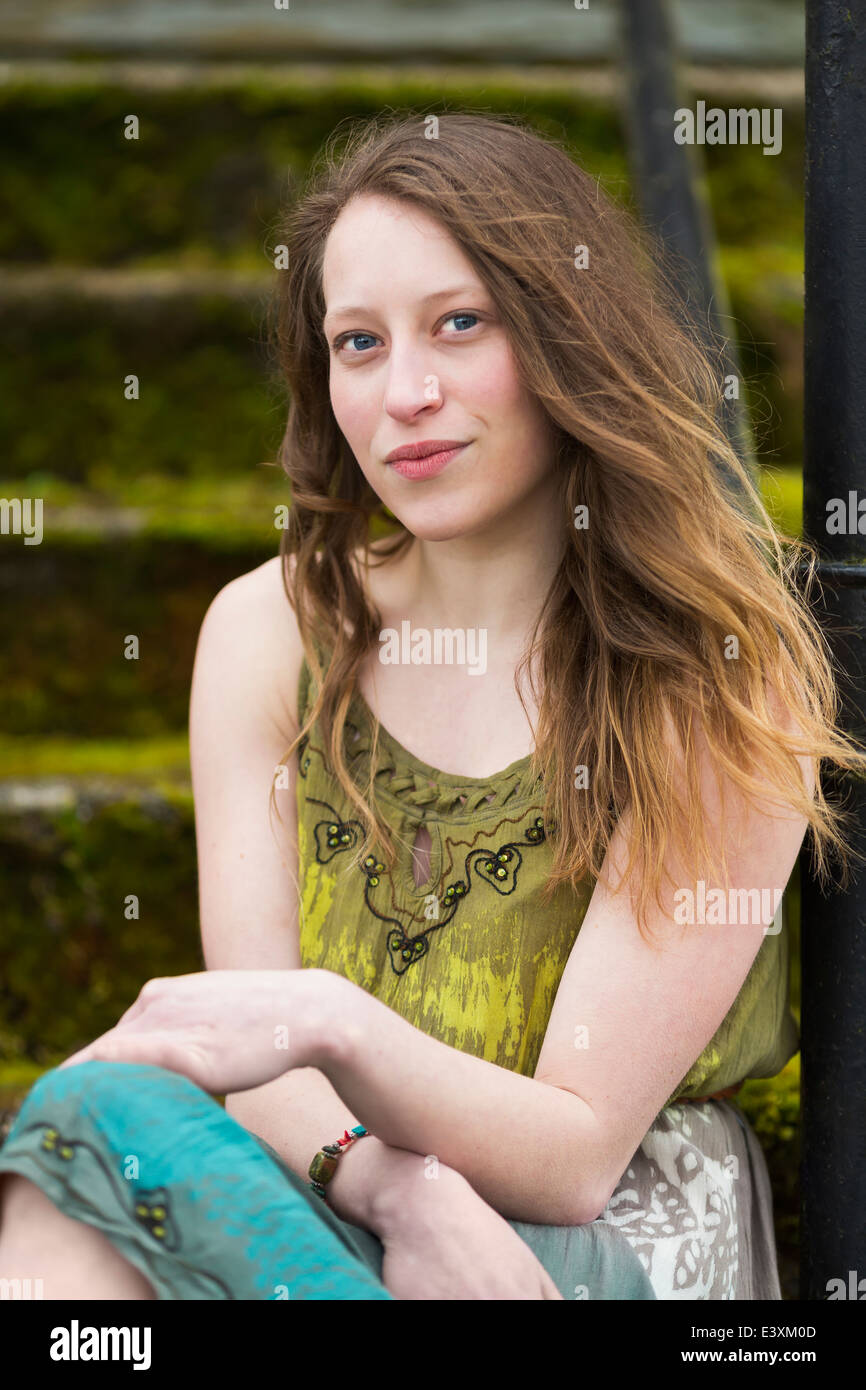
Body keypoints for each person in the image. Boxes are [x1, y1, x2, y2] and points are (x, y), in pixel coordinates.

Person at [1, 111, 863, 1302]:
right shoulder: (269, 630)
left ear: (565, 334)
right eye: (357, 343)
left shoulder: (703, 658)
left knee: (89, 1142)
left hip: (598, 1237)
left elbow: (571, 1153)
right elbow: (254, 1073)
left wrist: (326, 1017)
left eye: (458, 325)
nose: (403, 392)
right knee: (91, 1184)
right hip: (331, 1184)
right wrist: (387, 1182)